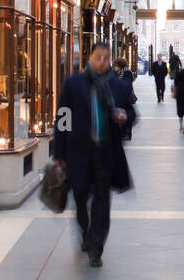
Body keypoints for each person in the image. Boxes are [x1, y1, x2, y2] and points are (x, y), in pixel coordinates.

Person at [52, 42, 136, 267]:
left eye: (106, 58)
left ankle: (95, 248)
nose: (102, 62)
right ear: (90, 58)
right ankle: (84, 229)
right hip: (78, 153)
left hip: (105, 153)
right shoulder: (73, 84)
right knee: (80, 195)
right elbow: (63, 117)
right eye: (98, 57)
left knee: (102, 200)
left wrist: (124, 116)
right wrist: (59, 151)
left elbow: (131, 112)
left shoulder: (117, 86)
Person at [113, 57, 137, 140]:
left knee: (126, 115)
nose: (114, 67)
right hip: (122, 97)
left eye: (115, 65)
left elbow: (128, 85)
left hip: (127, 97)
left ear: (120, 65)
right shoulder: (119, 72)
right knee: (122, 114)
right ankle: (123, 133)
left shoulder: (127, 72)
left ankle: (127, 133)